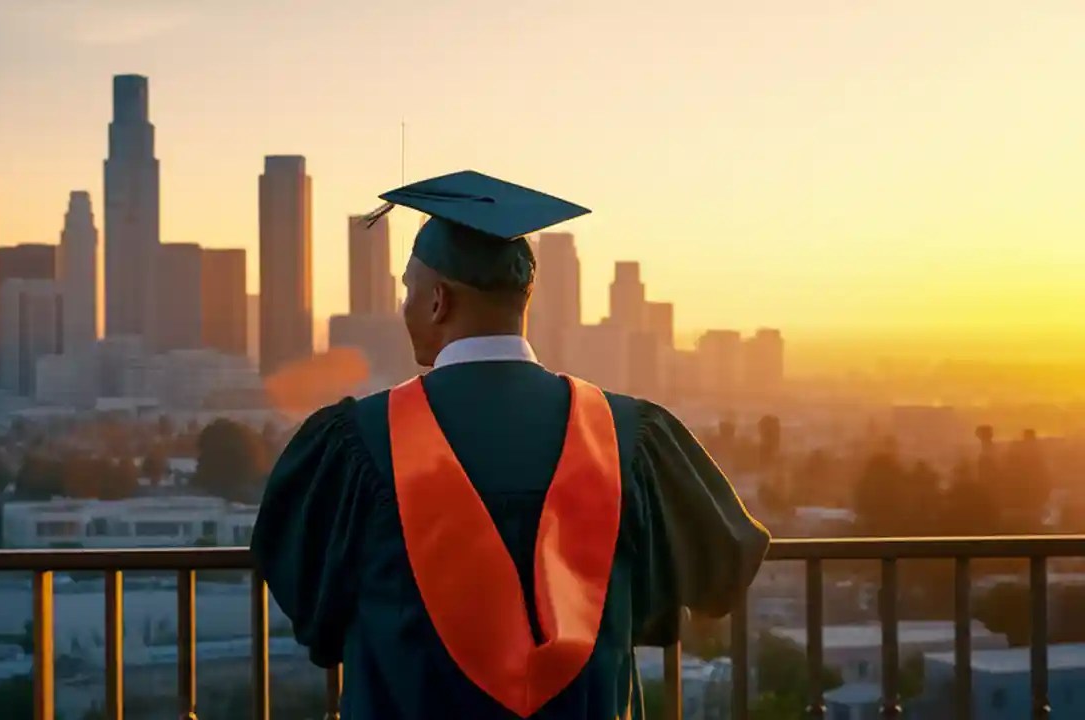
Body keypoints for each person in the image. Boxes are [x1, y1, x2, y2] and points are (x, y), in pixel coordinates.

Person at [251, 170, 770, 719]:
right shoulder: (624, 434)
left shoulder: (360, 441)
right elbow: (717, 576)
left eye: (409, 289)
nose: (403, 306)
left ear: (437, 303)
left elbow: (316, 614)